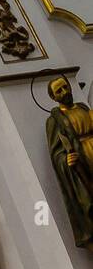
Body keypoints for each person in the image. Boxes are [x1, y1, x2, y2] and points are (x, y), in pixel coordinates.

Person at [45, 75, 93, 248]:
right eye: (59, 91)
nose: (64, 92)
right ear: (53, 97)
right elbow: (56, 153)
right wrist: (65, 159)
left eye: (65, 87)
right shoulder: (54, 121)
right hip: (85, 164)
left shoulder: (83, 108)